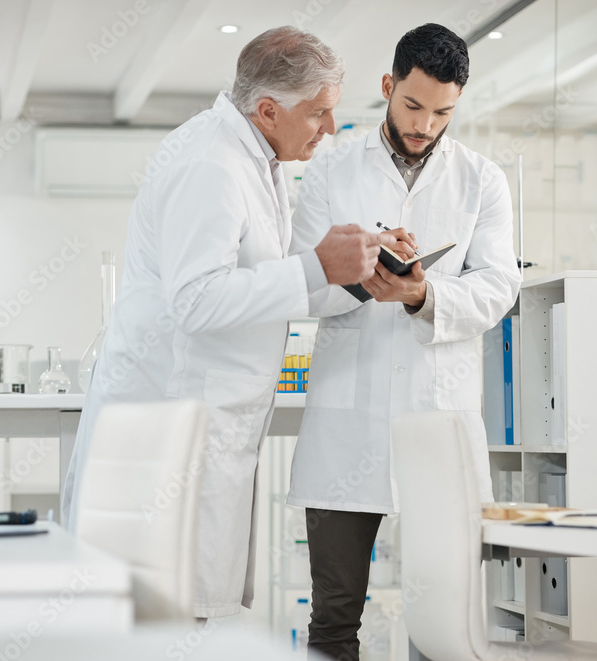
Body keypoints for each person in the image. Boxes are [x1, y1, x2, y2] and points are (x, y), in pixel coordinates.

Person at [62, 27, 393, 619]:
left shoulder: (255, 157)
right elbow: (197, 299)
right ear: (269, 110)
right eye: (319, 113)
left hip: (212, 429)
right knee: (169, 621)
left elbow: (268, 287)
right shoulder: (209, 164)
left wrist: (358, 277)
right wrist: (317, 264)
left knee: (200, 615)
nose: (331, 129)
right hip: (174, 426)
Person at [287, 24, 522, 660]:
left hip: (437, 417)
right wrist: (364, 274)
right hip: (347, 423)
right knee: (334, 622)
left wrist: (420, 295)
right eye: (413, 105)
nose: (425, 124)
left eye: (443, 111)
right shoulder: (330, 167)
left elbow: (499, 288)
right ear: (388, 87)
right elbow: (301, 284)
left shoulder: (482, 180)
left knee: (444, 622)